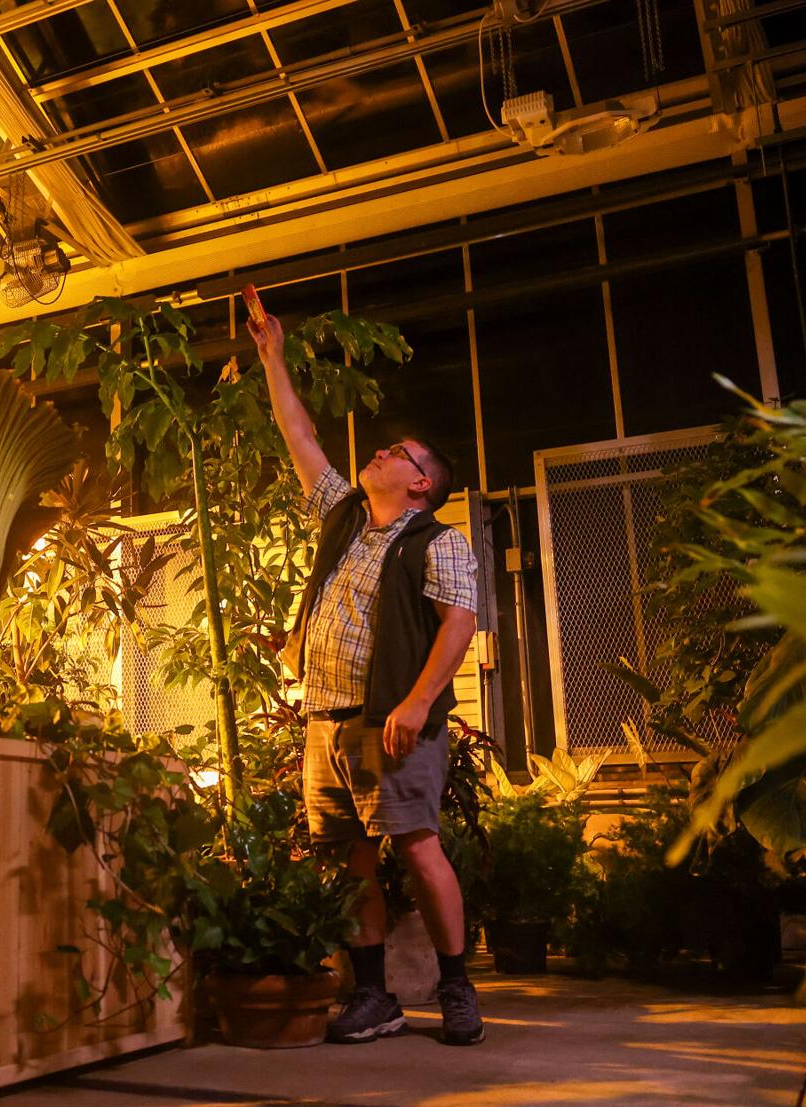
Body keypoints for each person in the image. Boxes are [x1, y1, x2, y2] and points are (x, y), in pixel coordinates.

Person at [247, 310, 485, 1048]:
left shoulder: (437, 540)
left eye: (398, 452)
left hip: (390, 721)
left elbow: (459, 622)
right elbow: (301, 437)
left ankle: (455, 984)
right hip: (326, 719)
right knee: (353, 857)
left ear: (420, 483)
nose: (379, 451)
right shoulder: (346, 520)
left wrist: (416, 702)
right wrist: (273, 355)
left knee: (416, 845)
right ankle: (375, 995)